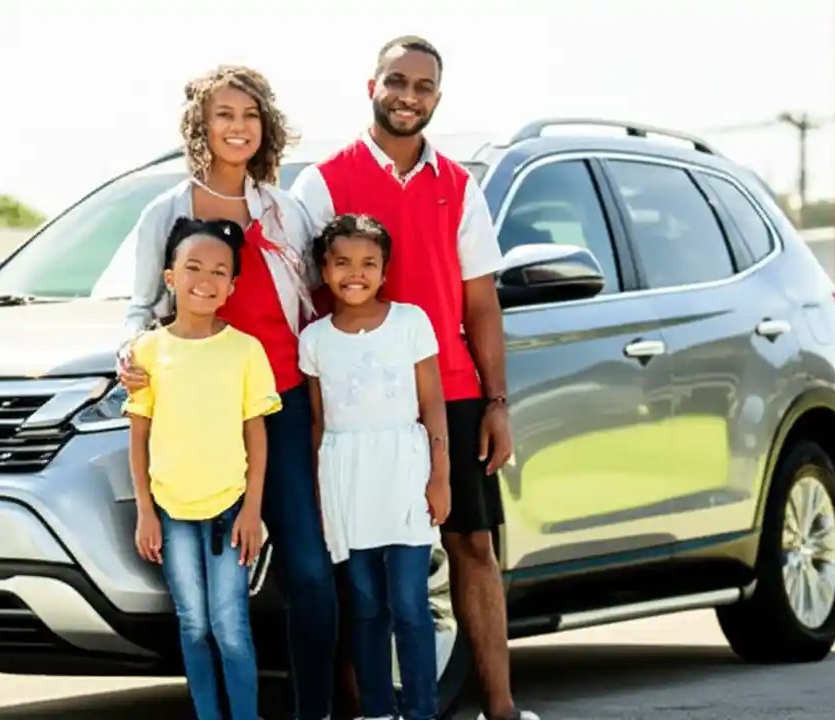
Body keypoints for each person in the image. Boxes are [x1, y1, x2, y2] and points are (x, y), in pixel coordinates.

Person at [290, 36, 538, 720]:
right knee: (355, 558)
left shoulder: (459, 186)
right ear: (371, 86)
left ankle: (501, 708)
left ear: (437, 97)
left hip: (450, 392)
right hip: (354, 402)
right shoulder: (323, 183)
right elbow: (300, 293)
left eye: (423, 86)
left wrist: (496, 402)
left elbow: (481, 302)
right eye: (396, 81)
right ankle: (361, 708)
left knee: (472, 544)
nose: (408, 96)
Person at [118, 65, 339, 720]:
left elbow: (318, 299)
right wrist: (128, 353)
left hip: (282, 404)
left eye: (250, 115)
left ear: (265, 126)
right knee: (207, 601)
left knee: (308, 569)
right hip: (195, 420)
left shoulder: (286, 210)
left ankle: (315, 710)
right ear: (201, 125)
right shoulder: (166, 213)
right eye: (223, 115)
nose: (238, 127)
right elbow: (139, 309)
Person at [124, 216, 278, 720]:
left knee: (230, 626)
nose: (205, 280)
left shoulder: (245, 350)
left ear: (232, 286)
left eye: (219, 272)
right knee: (193, 624)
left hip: (230, 511)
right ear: (170, 276)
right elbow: (139, 437)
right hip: (171, 513)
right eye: (193, 267)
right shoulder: (148, 351)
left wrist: (252, 510)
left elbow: (257, 434)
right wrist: (145, 512)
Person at [299, 213, 450, 720]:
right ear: (325, 269)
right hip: (345, 478)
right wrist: (320, 495)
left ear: (385, 271)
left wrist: (440, 476)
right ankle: (378, 711)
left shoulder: (410, 323)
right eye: (342, 263)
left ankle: (422, 711)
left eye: (368, 263)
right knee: (364, 604)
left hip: (403, 471)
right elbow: (319, 422)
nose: (355, 274)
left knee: (409, 602)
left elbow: (433, 404)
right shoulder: (314, 340)